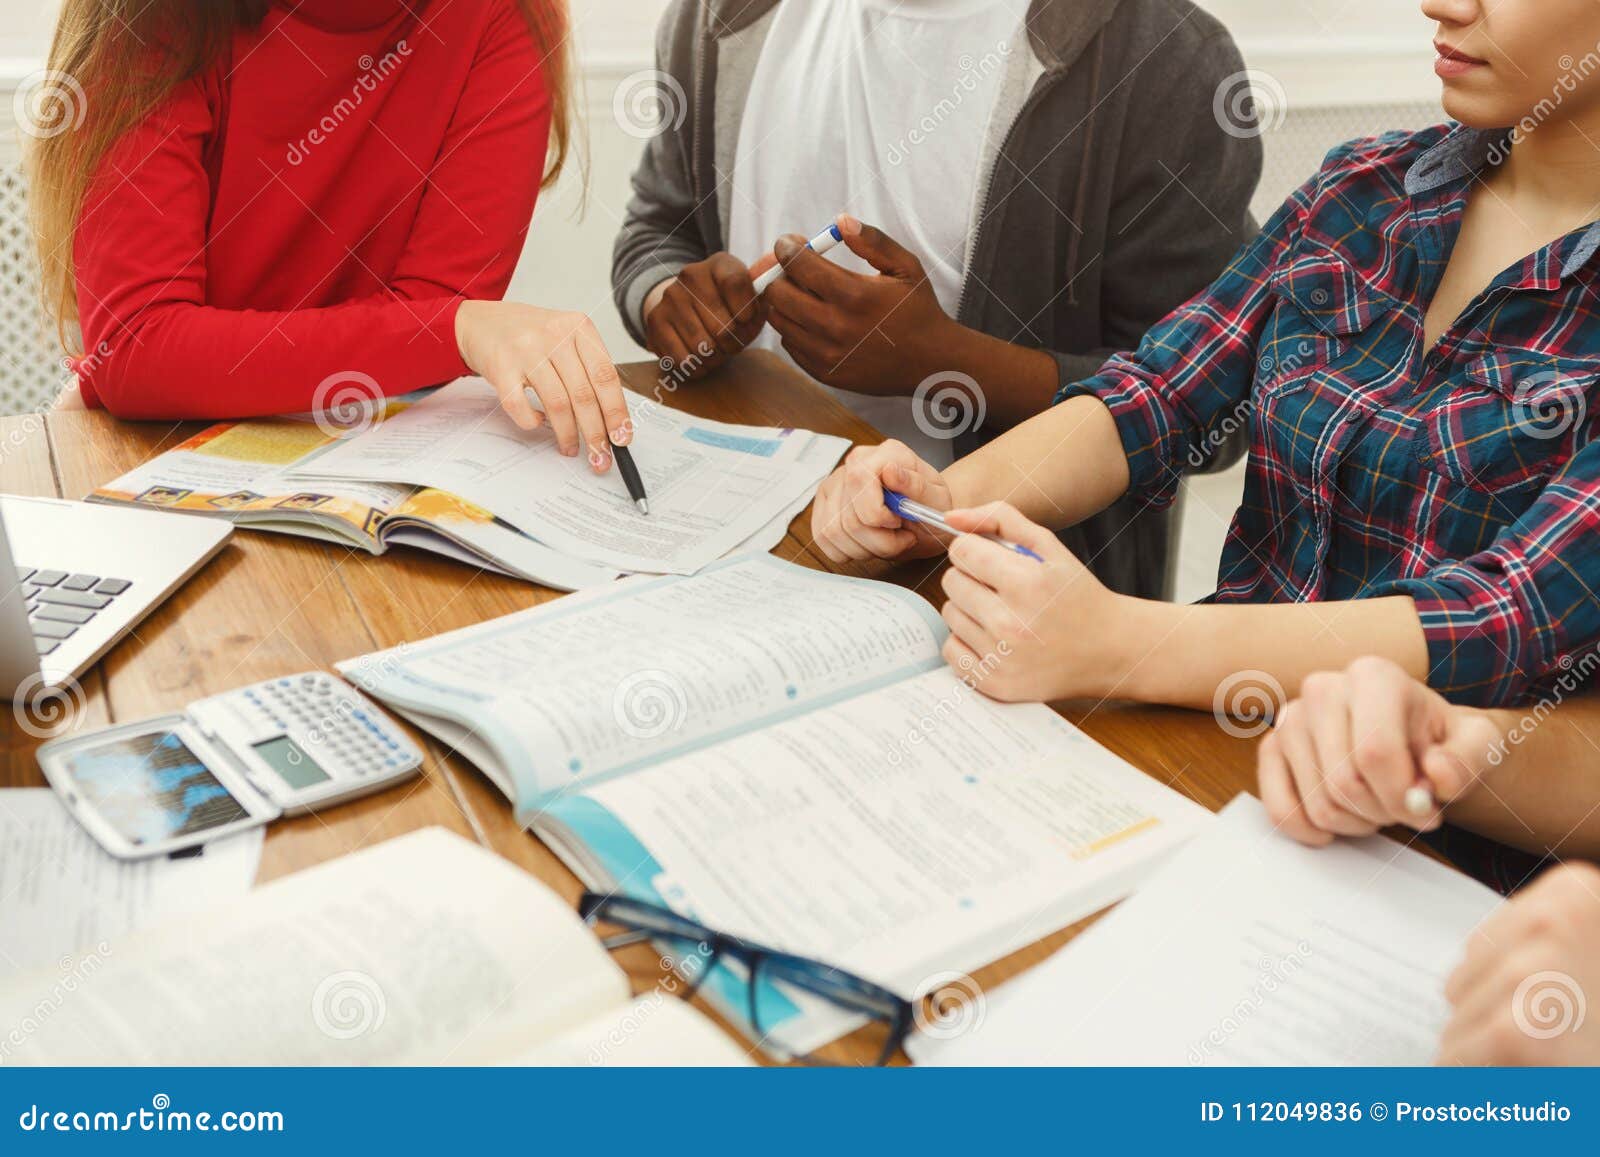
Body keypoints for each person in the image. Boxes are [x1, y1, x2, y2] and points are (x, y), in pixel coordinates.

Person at [811, 0, 1600, 710]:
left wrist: (1119, 642)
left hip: (1430, 841)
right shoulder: (1364, 188)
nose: (1443, 4)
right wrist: (940, 503)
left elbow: (1506, 617)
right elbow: (1159, 394)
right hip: (1213, 741)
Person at [612, 0, 1261, 598]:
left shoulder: (1165, 58)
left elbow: (1211, 406)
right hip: (734, 548)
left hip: (998, 607)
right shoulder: (721, 14)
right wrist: (668, 299)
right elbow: (655, 229)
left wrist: (943, 361)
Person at [28, 0, 631, 476]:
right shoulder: (155, 17)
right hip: (155, 449)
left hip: (373, 449)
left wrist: (445, 329)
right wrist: (451, 331)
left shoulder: (506, 15)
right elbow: (138, 347)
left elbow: (435, 312)